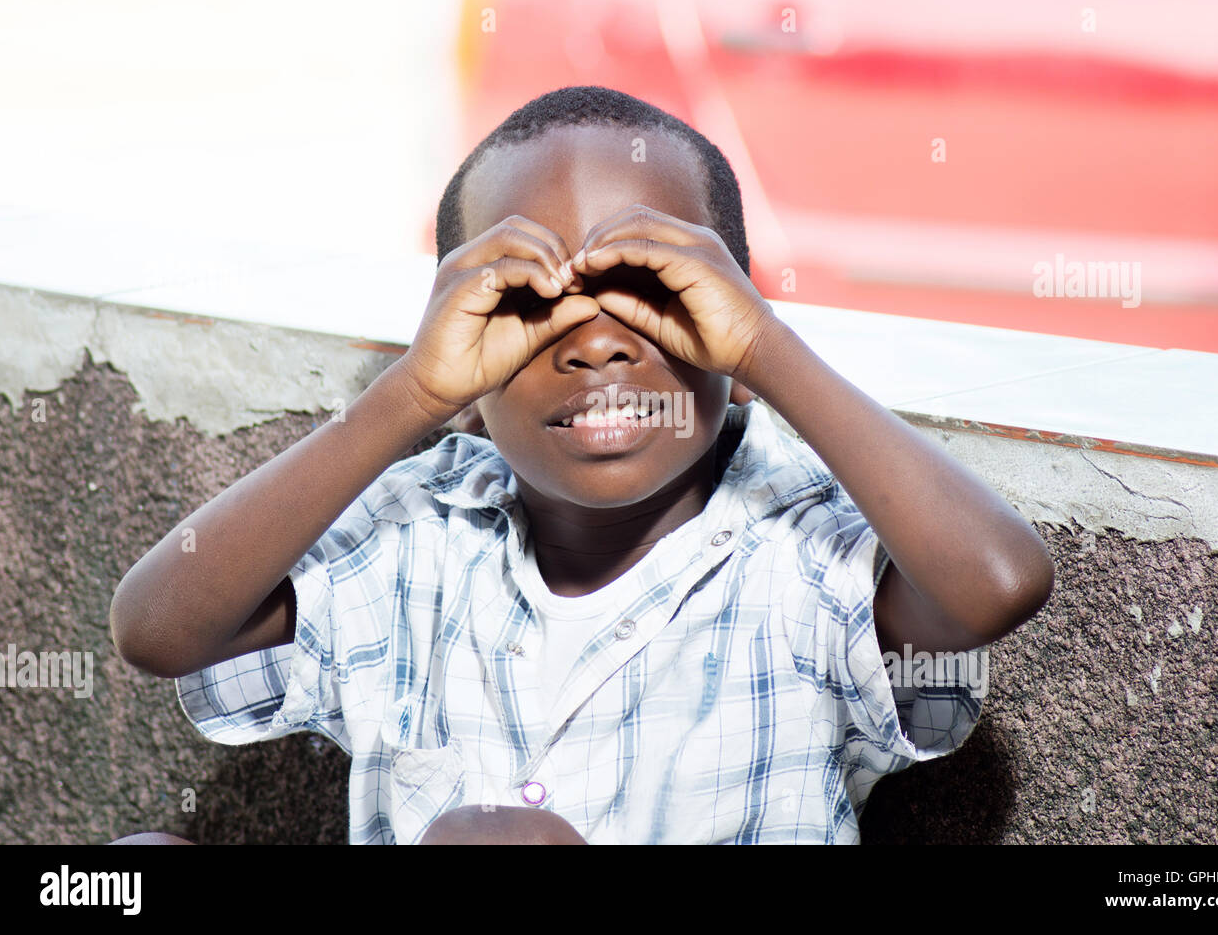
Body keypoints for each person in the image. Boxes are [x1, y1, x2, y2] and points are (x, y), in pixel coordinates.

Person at [108, 85, 1054, 845]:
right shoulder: (416, 538)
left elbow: (998, 585)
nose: (597, 345)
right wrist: (410, 399)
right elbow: (159, 629)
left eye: (653, 293)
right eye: (529, 303)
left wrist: (766, 349)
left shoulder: (801, 557)